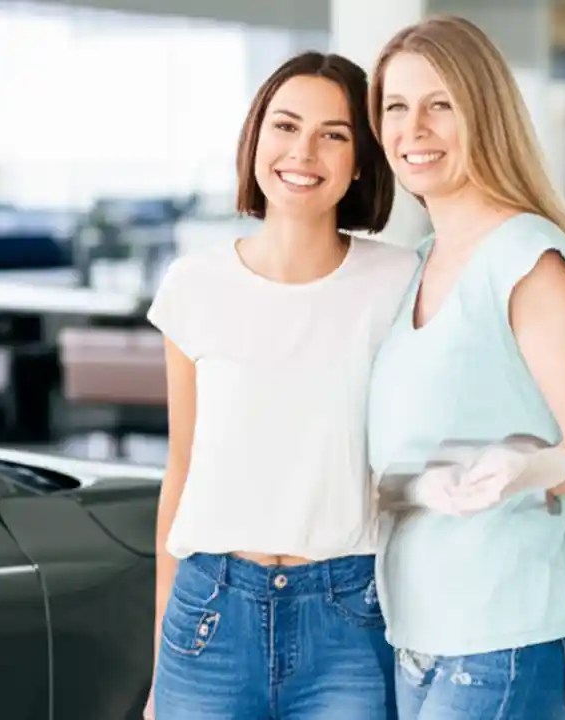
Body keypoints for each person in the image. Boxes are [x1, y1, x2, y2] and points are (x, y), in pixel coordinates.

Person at [365, 15, 565, 720]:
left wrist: (532, 468)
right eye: (396, 107)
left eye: (440, 105)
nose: (413, 129)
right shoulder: (420, 263)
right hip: (420, 635)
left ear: (483, 113)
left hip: (506, 640)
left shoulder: (524, 259)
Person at [146, 51, 417, 719]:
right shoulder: (194, 284)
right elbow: (181, 470)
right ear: (256, 138)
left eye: (334, 134)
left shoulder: (400, 282)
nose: (304, 152)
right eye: (286, 126)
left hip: (348, 616)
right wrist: (158, 660)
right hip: (209, 614)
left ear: (361, 161)